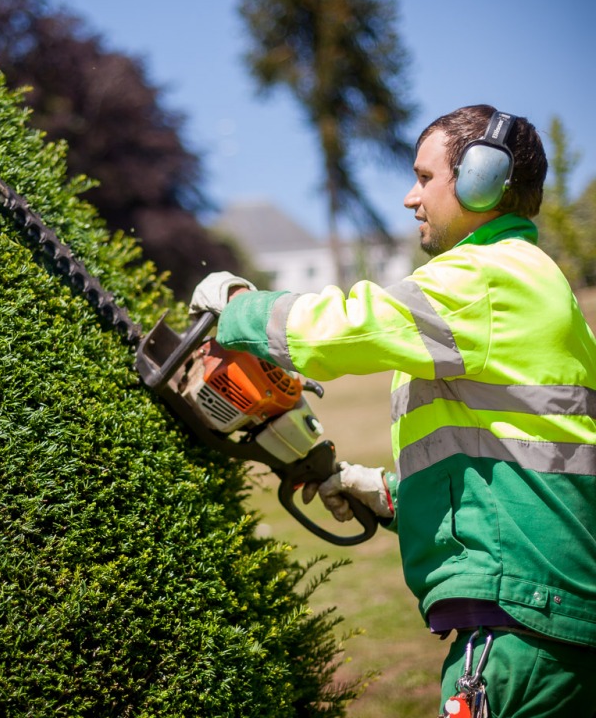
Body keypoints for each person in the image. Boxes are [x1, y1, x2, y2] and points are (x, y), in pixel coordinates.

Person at [189, 105, 596, 717]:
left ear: (482, 178)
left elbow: (348, 328)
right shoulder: (532, 280)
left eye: (425, 177)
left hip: (521, 624)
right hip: (548, 614)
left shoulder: (485, 277)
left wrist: (241, 308)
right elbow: (510, 451)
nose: (410, 197)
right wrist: (388, 493)